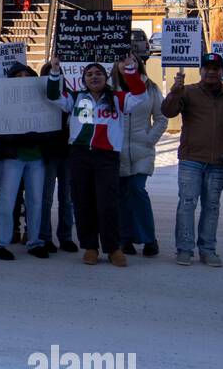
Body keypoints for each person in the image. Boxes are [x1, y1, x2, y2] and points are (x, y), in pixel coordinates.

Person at [44, 54, 149, 266]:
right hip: (80, 155)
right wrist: (55, 71)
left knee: (108, 203)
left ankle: (113, 248)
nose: (94, 77)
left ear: (106, 77)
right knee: (83, 201)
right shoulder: (75, 98)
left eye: (98, 73)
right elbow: (54, 96)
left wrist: (130, 71)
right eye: (89, 74)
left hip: (107, 156)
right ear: (83, 79)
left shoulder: (118, 98)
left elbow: (140, 95)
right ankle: (90, 247)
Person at [162, 51, 223, 267]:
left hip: (219, 160)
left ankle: (208, 250)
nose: (211, 72)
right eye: (207, 68)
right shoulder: (188, 92)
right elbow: (168, 112)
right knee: (187, 204)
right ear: (201, 71)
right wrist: (174, 92)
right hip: (191, 158)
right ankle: (184, 249)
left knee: (212, 206)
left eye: (216, 69)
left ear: (222, 72)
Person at [0, 62, 48, 260]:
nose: (23, 77)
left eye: (27, 74)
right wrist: (18, 138)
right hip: (13, 156)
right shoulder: (2, 98)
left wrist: (38, 138)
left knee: (36, 200)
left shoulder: (42, 97)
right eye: (19, 75)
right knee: (6, 200)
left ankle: (35, 240)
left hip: (36, 156)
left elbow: (50, 122)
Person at [115, 55, 167, 256]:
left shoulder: (150, 88)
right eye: (123, 61)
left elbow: (161, 118)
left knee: (137, 191)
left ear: (139, 64)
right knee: (121, 195)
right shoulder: (110, 88)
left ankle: (148, 238)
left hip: (141, 150)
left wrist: (149, 139)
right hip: (116, 151)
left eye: (132, 61)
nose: (127, 64)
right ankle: (125, 238)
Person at [37, 62, 78, 254]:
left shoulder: (72, 96)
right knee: (45, 198)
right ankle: (45, 237)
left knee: (67, 198)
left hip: (68, 152)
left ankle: (66, 236)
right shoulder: (39, 96)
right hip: (47, 152)